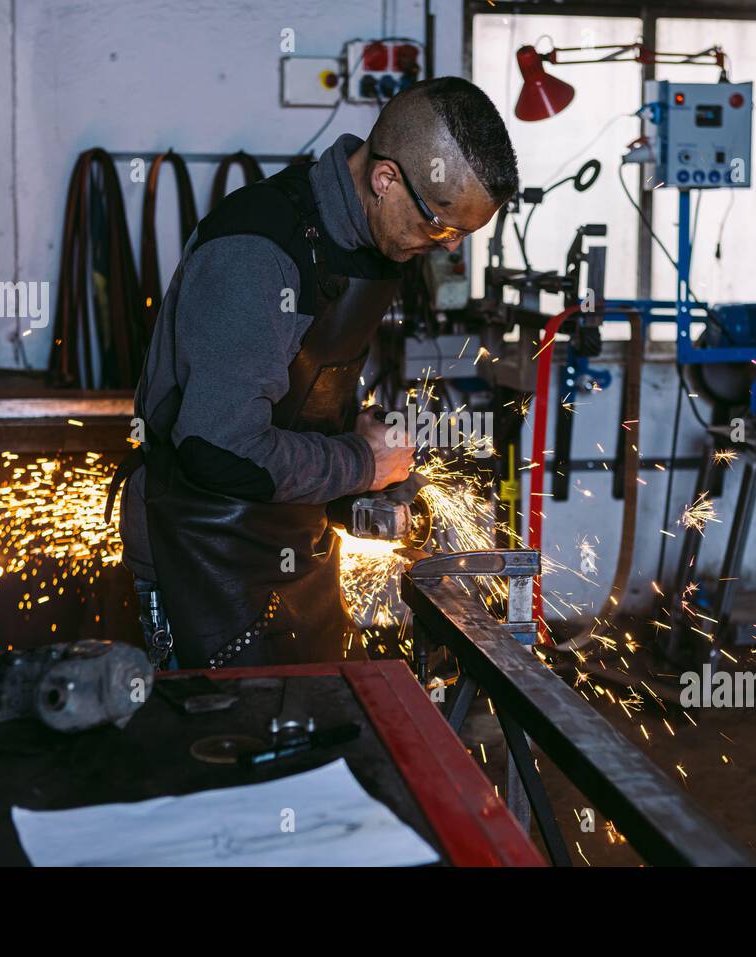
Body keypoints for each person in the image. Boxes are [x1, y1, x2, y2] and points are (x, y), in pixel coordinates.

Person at [108, 76, 519, 670]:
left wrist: (362, 436)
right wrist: (360, 461)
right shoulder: (256, 253)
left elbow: (292, 387)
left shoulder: (365, 241)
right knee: (226, 744)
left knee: (313, 721)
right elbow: (218, 449)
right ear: (385, 179)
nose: (446, 248)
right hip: (204, 553)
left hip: (291, 541)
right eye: (442, 227)